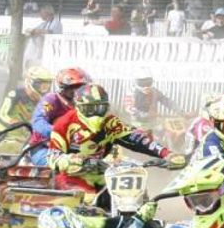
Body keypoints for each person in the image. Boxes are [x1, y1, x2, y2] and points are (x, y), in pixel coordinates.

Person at [48, 83, 186, 197]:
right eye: (91, 109)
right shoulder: (64, 124)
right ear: (79, 107)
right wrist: (67, 160)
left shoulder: (110, 122)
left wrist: (167, 154)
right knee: (88, 206)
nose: (96, 113)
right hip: (72, 179)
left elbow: (138, 139)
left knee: (136, 195)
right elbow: (52, 156)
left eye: (100, 108)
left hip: (103, 175)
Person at [29, 66, 91, 162]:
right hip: (44, 149)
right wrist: (58, 132)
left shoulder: (83, 105)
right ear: (64, 87)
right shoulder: (51, 100)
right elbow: (38, 121)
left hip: (71, 151)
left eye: (81, 87)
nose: (79, 91)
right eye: (75, 87)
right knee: (70, 165)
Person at [0, 66, 54, 146]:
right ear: (29, 82)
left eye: (47, 84)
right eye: (41, 84)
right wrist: (14, 122)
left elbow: (52, 116)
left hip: (30, 138)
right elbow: (2, 115)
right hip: (7, 136)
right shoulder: (15, 95)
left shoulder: (45, 102)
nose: (44, 88)